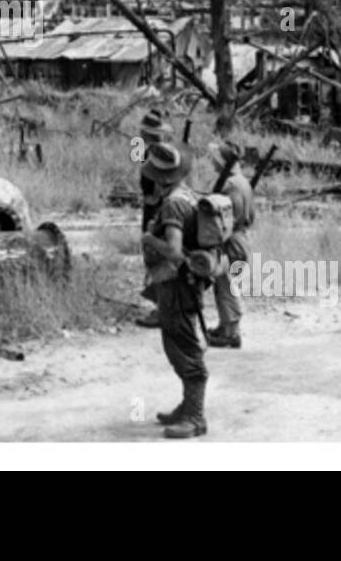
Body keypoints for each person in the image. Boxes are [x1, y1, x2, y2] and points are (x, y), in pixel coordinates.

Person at [140, 141, 211, 439]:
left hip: (178, 284)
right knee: (176, 343)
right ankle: (187, 406)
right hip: (180, 283)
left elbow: (173, 249)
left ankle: (195, 417)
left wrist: (148, 240)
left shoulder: (172, 204)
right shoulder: (188, 195)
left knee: (183, 346)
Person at [205, 140, 255, 349]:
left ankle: (231, 334)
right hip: (240, 238)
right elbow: (250, 215)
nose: (212, 163)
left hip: (231, 241)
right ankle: (225, 326)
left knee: (226, 285)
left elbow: (224, 220)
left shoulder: (230, 186)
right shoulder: (242, 182)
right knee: (224, 284)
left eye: (215, 159)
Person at [134, 109, 176, 329]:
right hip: (156, 204)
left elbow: (155, 183)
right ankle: (163, 304)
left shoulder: (159, 154)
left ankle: (162, 308)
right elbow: (136, 159)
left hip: (156, 206)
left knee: (156, 255)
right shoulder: (153, 149)